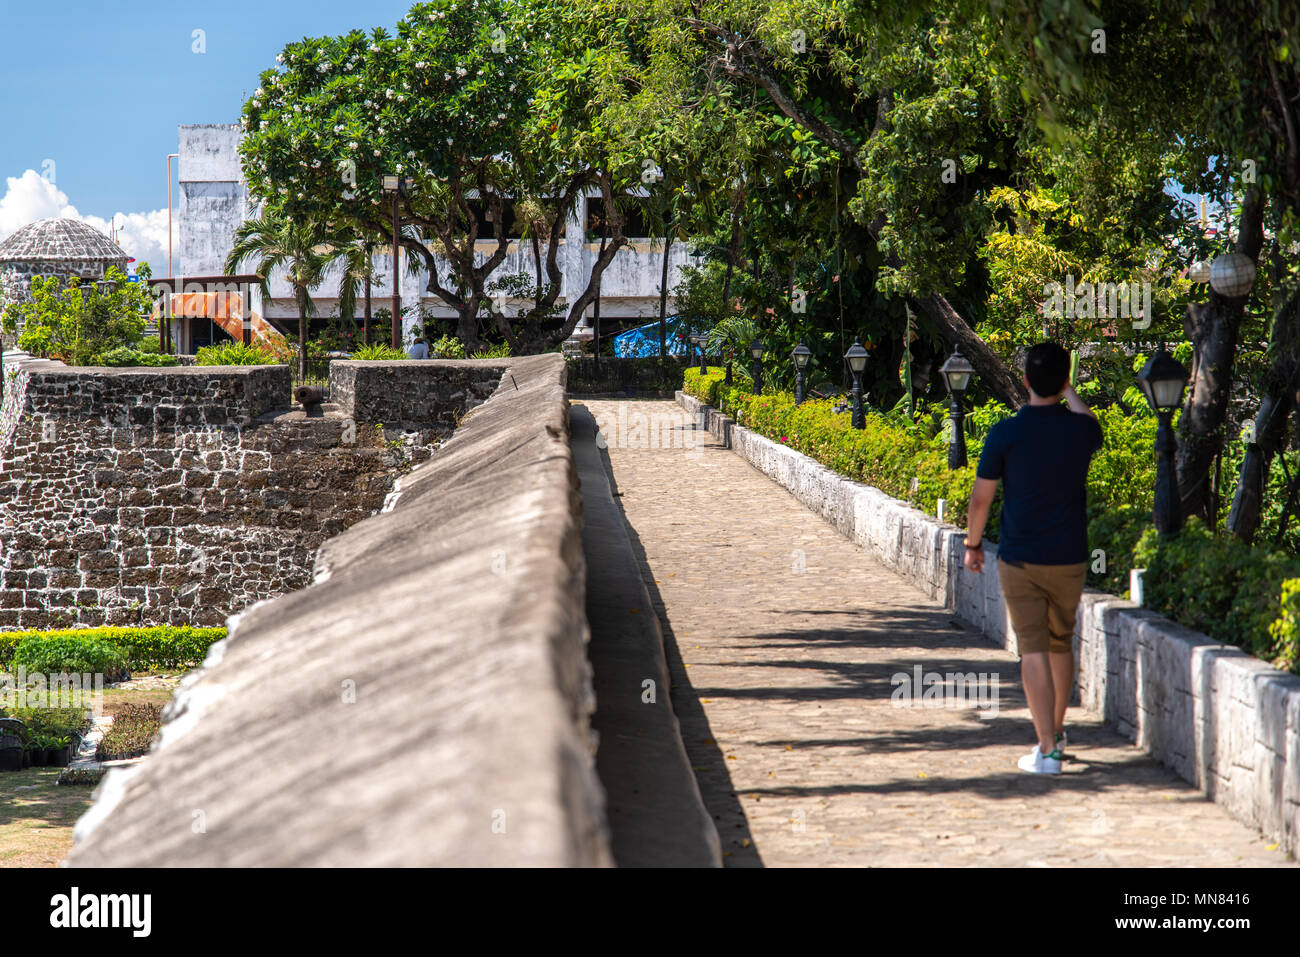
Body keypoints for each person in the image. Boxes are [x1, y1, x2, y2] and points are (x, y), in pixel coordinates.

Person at [962, 342, 1103, 774]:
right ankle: (1056, 735)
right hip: (1070, 558)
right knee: (1061, 644)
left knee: (1033, 650)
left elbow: (981, 499)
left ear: (1023, 380)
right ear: (1063, 381)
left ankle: (1046, 749)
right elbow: (1089, 421)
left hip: (1021, 558)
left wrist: (972, 544)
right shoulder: (1080, 431)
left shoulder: (1005, 433)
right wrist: (1068, 390)